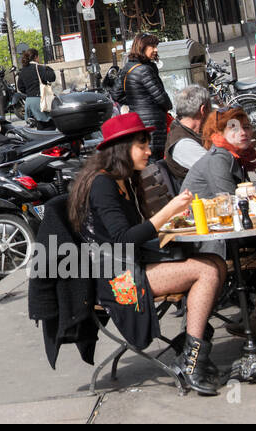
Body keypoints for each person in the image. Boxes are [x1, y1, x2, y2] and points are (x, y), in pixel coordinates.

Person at [67, 112, 227, 395]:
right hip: (118, 281)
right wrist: (168, 213)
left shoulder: (125, 179)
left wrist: (173, 218)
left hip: (133, 264)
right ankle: (191, 359)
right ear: (121, 149)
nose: (149, 151)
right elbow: (122, 240)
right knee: (207, 270)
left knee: (216, 261)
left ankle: (190, 343)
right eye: (142, 145)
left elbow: (136, 234)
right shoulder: (102, 184)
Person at [182, 107, 256, 198]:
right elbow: (228, 199)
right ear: (220, 132)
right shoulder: (218, 159)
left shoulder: (236, 154)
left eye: (246, 127)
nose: (243, 133)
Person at [120, 33, 173, 162]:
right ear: (142, 47)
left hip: (137, 122)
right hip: (153, 123)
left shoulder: (127, 68)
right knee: (155, 160)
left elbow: (116, 94)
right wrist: (167, 105)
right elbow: (161, 98)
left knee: (144, 159)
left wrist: (136, 101)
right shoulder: (145, 70)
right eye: (152, 46)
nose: (156, 50)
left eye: (156, 46)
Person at [164, 85, 212, 184]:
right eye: (210, 109)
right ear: (203, 110)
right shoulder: (183, 142)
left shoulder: (189, 132)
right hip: (200, 196)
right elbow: (216, 168)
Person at [15, 49, 56, 124]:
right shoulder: (39, 68)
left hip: (29, 101)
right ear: (36, 57)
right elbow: (52, 78)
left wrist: (29, 91)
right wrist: (48, 68)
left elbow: (20, 87)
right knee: (48, 125)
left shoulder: (22, 71)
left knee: (36, 126)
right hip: (40, 100)